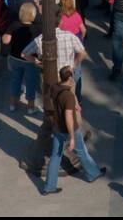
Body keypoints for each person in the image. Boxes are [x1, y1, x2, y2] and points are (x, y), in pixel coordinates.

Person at [43, 66, 106, 194]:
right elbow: (69, 117)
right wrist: (72, 137)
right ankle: (93, 173)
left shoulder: (56, 87)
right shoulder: (68, 97)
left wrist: (75, 103)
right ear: (70, 77)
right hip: (69, 129)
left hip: (56, 127)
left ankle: (49, 187)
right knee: (82, 151)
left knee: (56, 155)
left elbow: (55, 99)